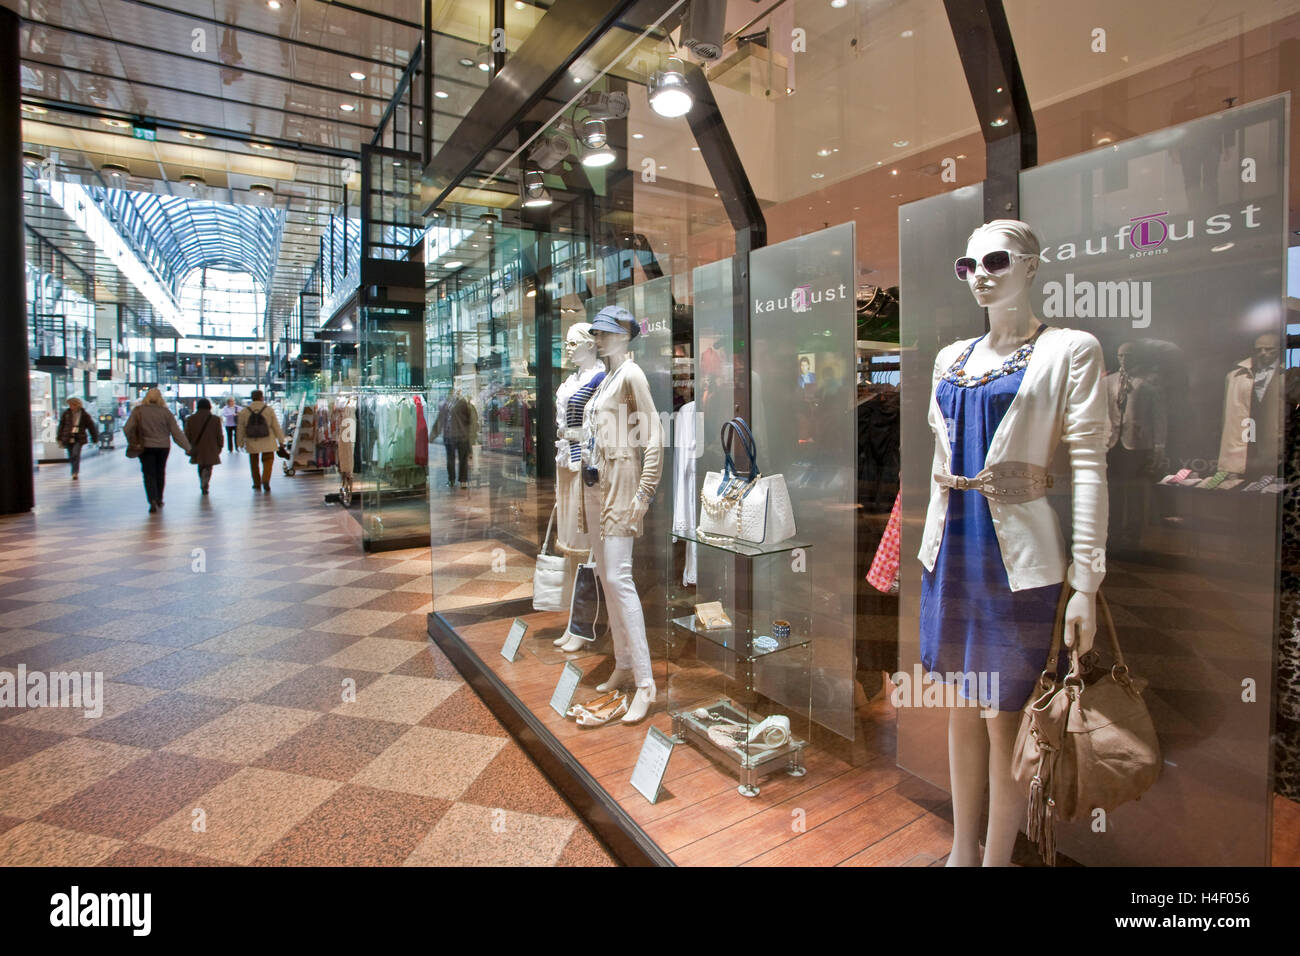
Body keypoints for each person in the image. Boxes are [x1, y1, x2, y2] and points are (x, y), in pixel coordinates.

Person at [123, 387, 191, 513]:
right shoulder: (166, 412)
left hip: (145, 446)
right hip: (163, 447)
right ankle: (159, 498)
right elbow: (176, 433)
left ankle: (152, 500)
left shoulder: (138, 411)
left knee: (149, 474)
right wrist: (187, 448)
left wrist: (132, 440)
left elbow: (127, 428)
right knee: (160, 472)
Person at [237, 389, 284, 493]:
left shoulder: (244, 411)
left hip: (252, 440)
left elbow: (240, 429)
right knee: (268, 460)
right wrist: (281, 440)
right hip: (268, 440)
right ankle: (266, 479)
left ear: (252, 398)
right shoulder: (268, 410)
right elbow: (276, 426)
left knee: (254, 462)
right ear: (261, 397)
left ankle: (256, 483)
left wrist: (239, 442)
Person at [184, 397, 224, 494]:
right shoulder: (215, 419)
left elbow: (187, 434)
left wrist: (187, 447)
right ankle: (206, 481)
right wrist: (220, 445)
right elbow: (219, 434)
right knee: (209, 465)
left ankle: (202, 479)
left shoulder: (190, 419)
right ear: (209, 407)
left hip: (197, 446)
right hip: (211, 446)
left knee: (200, 465)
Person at [56, 396, 98, 480]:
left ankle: (75, 472)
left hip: (79, 437)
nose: (71, 407)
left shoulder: (84, 415)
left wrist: (94, 438)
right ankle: (74, 469)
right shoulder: (66, 413)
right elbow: (61, 425)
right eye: (70, 405)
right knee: (71, 455)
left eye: (72, 405)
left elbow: (91, 427)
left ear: (77, 405)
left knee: (76, 454)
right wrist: (59, 437)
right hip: (67, 436)